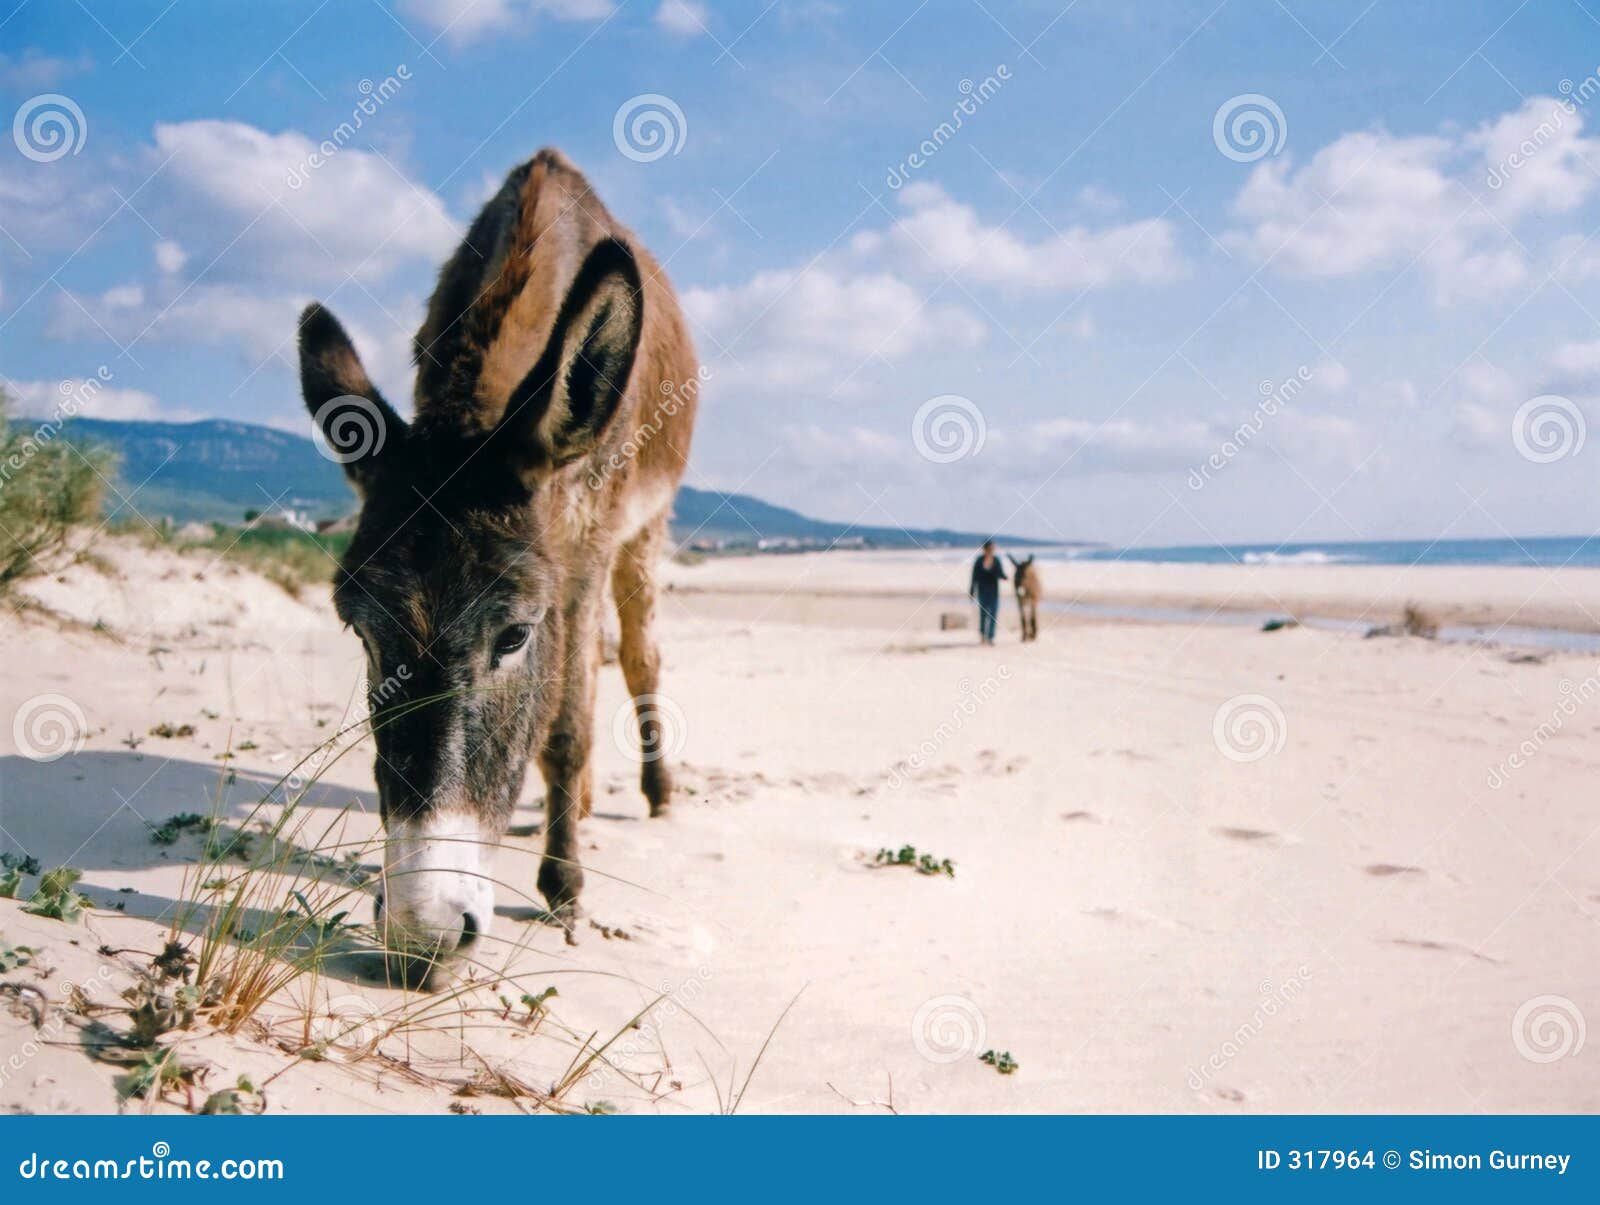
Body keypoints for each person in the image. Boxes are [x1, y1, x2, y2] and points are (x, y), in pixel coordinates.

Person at [969, 539, 1006, 644]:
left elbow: (1001, 573)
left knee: (993, 615)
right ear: (985, 549)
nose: (991, 550)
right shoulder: (979, 561)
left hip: (994, 592)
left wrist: (1004, 577)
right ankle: (982, 635)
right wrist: (972, 590)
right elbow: (974, 577)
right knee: (983, 614)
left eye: (993, 548)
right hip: (982, 591)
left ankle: (990, 637)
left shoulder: (996, 560)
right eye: (990, 548)